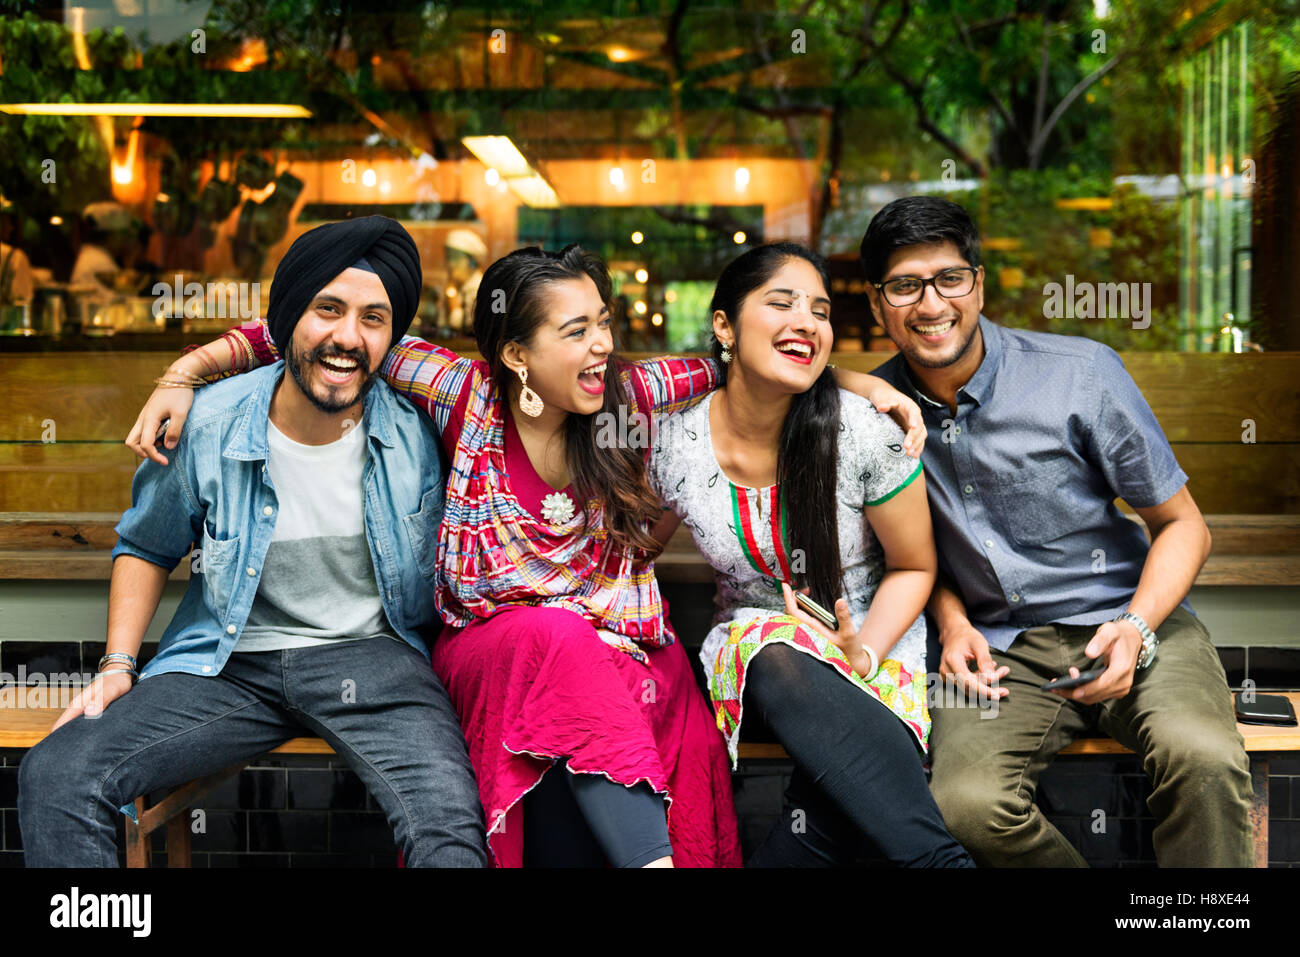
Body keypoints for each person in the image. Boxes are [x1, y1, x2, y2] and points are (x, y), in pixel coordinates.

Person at [124, 242, 927, 868]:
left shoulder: (626, 396)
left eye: (605, 325)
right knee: (556, 635)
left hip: (610, 655)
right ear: (516, 354)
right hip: (496, 650)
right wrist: (184, 373)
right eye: (576, 331)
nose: (601, 347)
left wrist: (859, 380)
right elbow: (310, 329)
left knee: (649, 672)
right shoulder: (461, 392)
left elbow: (751, 362)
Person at [19, 216, 487, 867]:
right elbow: (147, 545)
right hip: (227, 664)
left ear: (392, 337)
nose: (348, 337)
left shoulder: (420, 435)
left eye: (373, 318)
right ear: (288, 318)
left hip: (372, 662)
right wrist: (117, 666)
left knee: (449, 827)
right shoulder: (208, 422)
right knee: (58, 775)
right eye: (328, 308)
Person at [862, 196, 1253, 867]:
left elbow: (1184, 526)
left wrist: (1136, 626)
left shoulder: (1081, 375)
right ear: (877, 305)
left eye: (950, 278)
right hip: (996, 648)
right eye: (905, 285)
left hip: (1133, 619)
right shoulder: (871, 415)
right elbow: (909, 558)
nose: (931, 304)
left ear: (979, 284)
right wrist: (952, 624)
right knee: (966, 803)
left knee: (1206, 759)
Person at [649, 242, 974, 867]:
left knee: (825, 821)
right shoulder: (676, 444)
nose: (807, 321)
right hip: (762, 665)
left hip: (878, 641)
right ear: (724, 325)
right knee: (769, 646)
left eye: (820, 311)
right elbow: (634, 555)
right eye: (782, 303)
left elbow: (914, 566)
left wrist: (866, 651)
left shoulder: (861, 431)